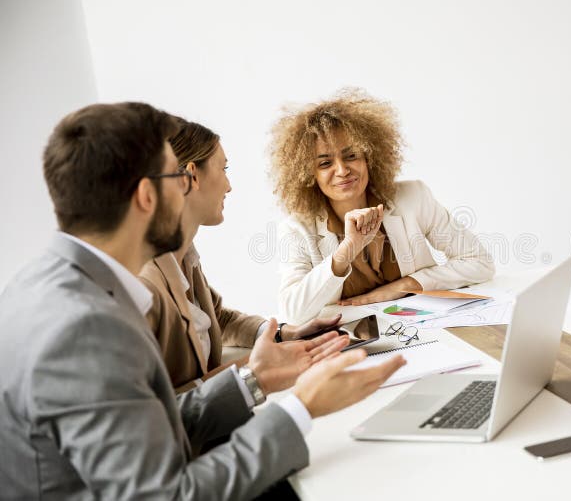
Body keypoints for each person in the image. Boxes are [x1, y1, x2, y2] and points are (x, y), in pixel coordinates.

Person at [0, 102, 404, 499]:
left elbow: (151, 425)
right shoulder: (83, 326)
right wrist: (301, 407)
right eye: (178, 177)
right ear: (147, 195)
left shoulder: (53, 284)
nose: (189, 187)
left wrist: (254, 380)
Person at [140, 120, 344, 391]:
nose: (229, 186)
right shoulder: (145, 285)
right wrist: (251, 371)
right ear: (191, 177)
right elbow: (159, 405)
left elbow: (218, 319)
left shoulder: (185, 256)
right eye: (223, 169)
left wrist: (283, 333)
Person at [269, 89, 495, 324]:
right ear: (308, 174)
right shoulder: (297, 229)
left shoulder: (414, 197)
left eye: (351, 156)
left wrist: (409, 284)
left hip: (426, 331)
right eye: (325, 163)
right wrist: (346, 251)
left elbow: (479, 262)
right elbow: (292, 313)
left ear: (369, 157)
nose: (342, 170)